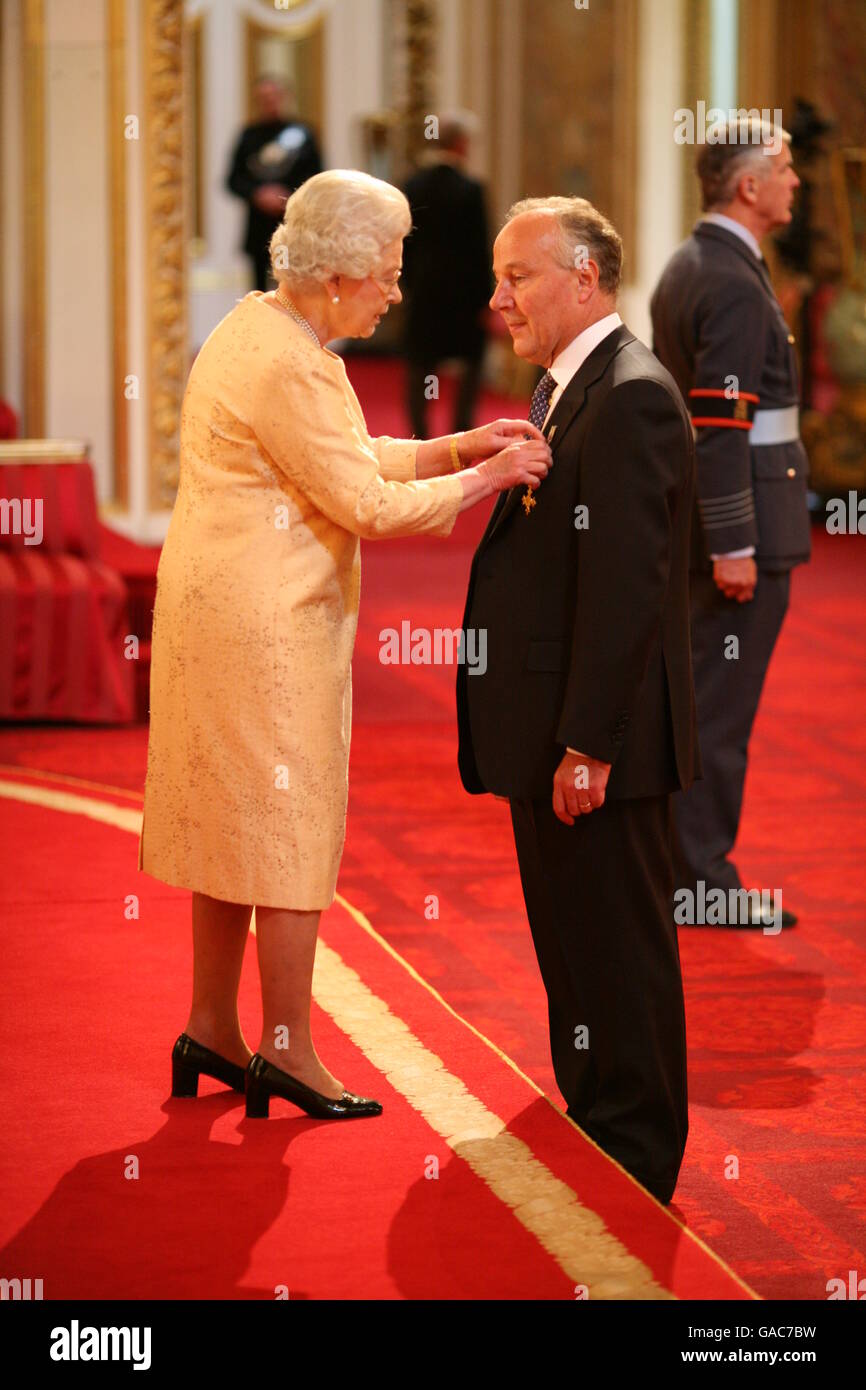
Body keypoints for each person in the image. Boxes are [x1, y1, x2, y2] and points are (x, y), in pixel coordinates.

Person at [138, 170, 551, 1122]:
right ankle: (286, 1051)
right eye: (388, 272)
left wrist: (449, 450)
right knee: (286, 828)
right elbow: (363, 502)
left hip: (215, 607)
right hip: (269, 625)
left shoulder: (257, 327)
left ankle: (210, 1024)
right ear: (337, 277)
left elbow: (337, 455)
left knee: (227, 821)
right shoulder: (293, 361)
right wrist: (492, 476)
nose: (398, 290)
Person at [456, 197, 699, 1205]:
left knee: (618, 948)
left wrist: (585, 745)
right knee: (572, 936)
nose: (497, 296)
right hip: (556, 729)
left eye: (518, 276)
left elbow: (625, 594)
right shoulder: (568, 387)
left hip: (605, 742)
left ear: (585, 277)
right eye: (500, 276)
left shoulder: (631, 393)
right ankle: (595, 1111)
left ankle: (636, 1146)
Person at [651, 118, 811, 930]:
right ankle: (701, 882)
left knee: (700, 702)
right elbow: (722, 427)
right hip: (739, 527)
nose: (795, 182)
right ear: (748, 187)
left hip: (710, 523)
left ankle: (684, 869)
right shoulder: (736, 283)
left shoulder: (692, 265)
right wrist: (737, 544)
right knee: (719, 715)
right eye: (783, 170)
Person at [402, 111, 491, 436]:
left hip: (424, 294)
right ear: (461, 144)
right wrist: (487, 299)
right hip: (464, 297)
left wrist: (407, 283)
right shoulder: (471, 189)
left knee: (420, 368)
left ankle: (420, 438)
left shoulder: (412, 185)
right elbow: (480, 251)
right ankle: (462, 433)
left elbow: (403, 243)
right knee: (470, 363)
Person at [226, 75, 323, 291]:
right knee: (259, 291)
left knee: (290, 286)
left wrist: (288, 196)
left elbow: (316, 177)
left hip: (291, 225)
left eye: (274, 97)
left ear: (285, 97)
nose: (270, 102)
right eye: (264, 98)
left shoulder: (303, 133)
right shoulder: (248, 136)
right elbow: (233, 180)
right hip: (259, 228)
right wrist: (258, 194)